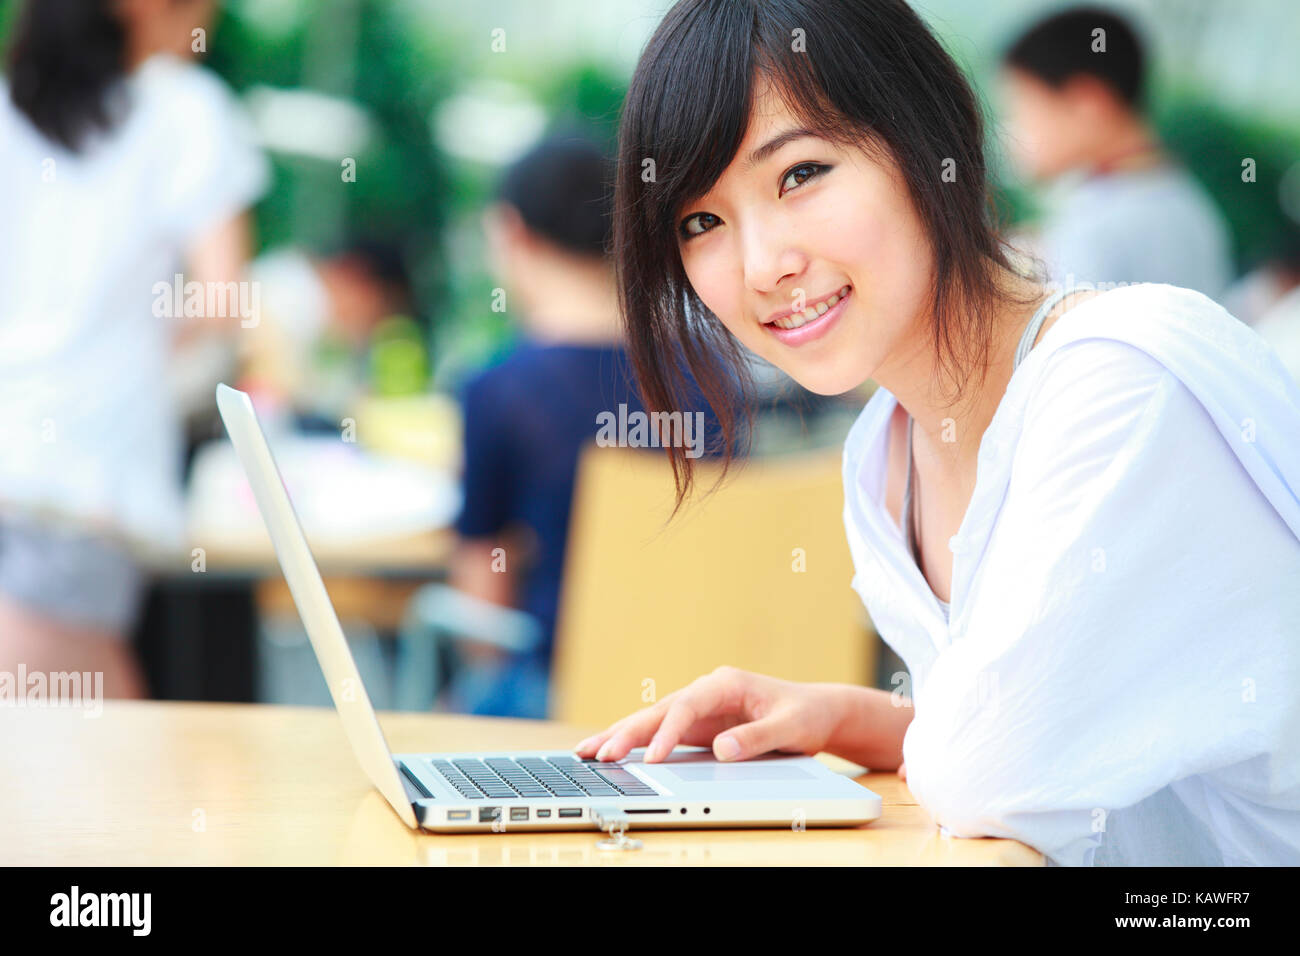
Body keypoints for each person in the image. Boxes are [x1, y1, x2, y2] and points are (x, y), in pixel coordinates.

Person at [574, 0, 1300, 866]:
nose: (764, 264)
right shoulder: (881, 457)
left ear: (929, 139)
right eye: (702, 222)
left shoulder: (1119, 378)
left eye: (801, 174)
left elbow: (992, 772)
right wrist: (854, 719)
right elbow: (1051, 737)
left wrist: (901, 729)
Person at [0, 0, 267, 696]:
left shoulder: (10, 108)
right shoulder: (183, 107)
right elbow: (222, 297)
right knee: (90, 752)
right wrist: (135, 348)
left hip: (25, 462)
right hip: (78, 479)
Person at [442, 131, 648, 718]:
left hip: (558, 702)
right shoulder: (711, 376)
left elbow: (483, 619)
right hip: (698, 696)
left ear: (512, 233)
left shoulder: (500, 388)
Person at [999, 6, 1233, 299]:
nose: (1011, 129)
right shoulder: (1182, 201)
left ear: (1088, 103)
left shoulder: (1103, 223)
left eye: (1021, 109)